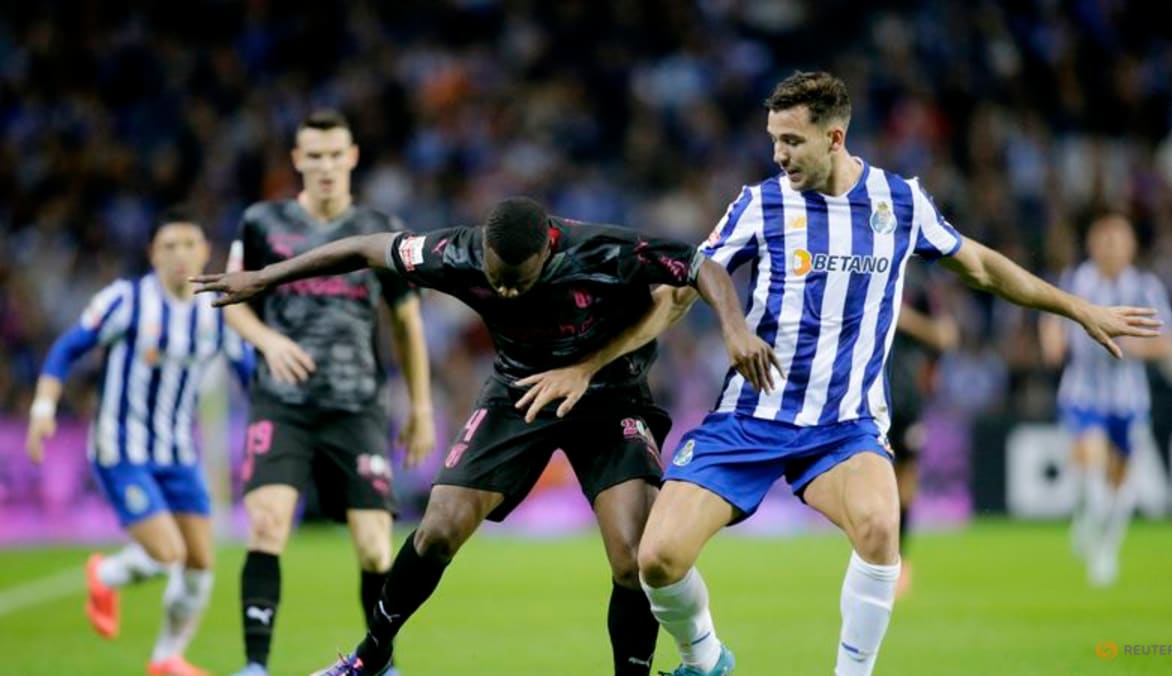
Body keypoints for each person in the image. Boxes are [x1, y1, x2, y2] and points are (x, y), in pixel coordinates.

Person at [516, 71, 1162, 676]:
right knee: (656, 560)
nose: (779, 155)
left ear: (834, 137)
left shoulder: (898, 203)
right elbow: (681, 292)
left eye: (791, 141)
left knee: (882, 528)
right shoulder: (760, 204)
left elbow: (983, 267)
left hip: (843, 425)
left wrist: (1077, 308)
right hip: (749, 417)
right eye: (774, 140)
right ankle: (706, 656)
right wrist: (588, 365)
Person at [192, 195, 778, 676]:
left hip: (610, 395)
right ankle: (370, 657)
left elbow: (700, 267)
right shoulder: (457, 252)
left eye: (518, 281)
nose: (507, 292)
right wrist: (267, 277)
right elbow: (365, 248)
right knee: (439, 527)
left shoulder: (600, 249)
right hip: (518, 393)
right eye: (497, 280)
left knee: (632, 560)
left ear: (547, 252)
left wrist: (733, 329)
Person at [221, 110, 436, 676]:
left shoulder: (379, 226)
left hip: (356, 405)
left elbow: (406, 320)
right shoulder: (262, 222)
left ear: (352, 157)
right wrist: (269, 341)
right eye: (313, 155)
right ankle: (255, 666)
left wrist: (420, 407)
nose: (324, 166)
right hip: (282, 403)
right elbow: (232, 301)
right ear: (297, 160)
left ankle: (382, 665)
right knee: (267, 524)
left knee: (375, 545)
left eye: (334, 154)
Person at [26, 208, 254, 676]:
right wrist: (43, 409)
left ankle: (166, 657)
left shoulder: (217, 310)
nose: (179, 255)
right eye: (169, 246)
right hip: (121, 450)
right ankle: (104, 574)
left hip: (178, 452)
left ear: (205, 250)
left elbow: (249, 374)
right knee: (167, 554)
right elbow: (67, 348)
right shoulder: (125, 300)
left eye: (189, 244)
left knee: (200, 561)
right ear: (153, 253)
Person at [1039, 213, 1172, 587]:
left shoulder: (1145, 287)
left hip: (1128, 398)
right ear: (1092, 245)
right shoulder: (1076, 280)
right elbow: (1051, 315)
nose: (1111, 247)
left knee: (1120, 481)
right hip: (1083, 392)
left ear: (1131, 246)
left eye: (1118, 240)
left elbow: (1166, 341)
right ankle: (1089, 520)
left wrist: (1134, 348)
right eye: (1105, 239)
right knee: (1091, 461)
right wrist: (1052, 339)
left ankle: (1107, 547)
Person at [890, 285, 960, 597]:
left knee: (904, 480)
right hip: (863, 397)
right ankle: (873, 557)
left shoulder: (918, 279)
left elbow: (946, 336)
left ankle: (899, 558)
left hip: (906, 396)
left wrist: (904, 318)